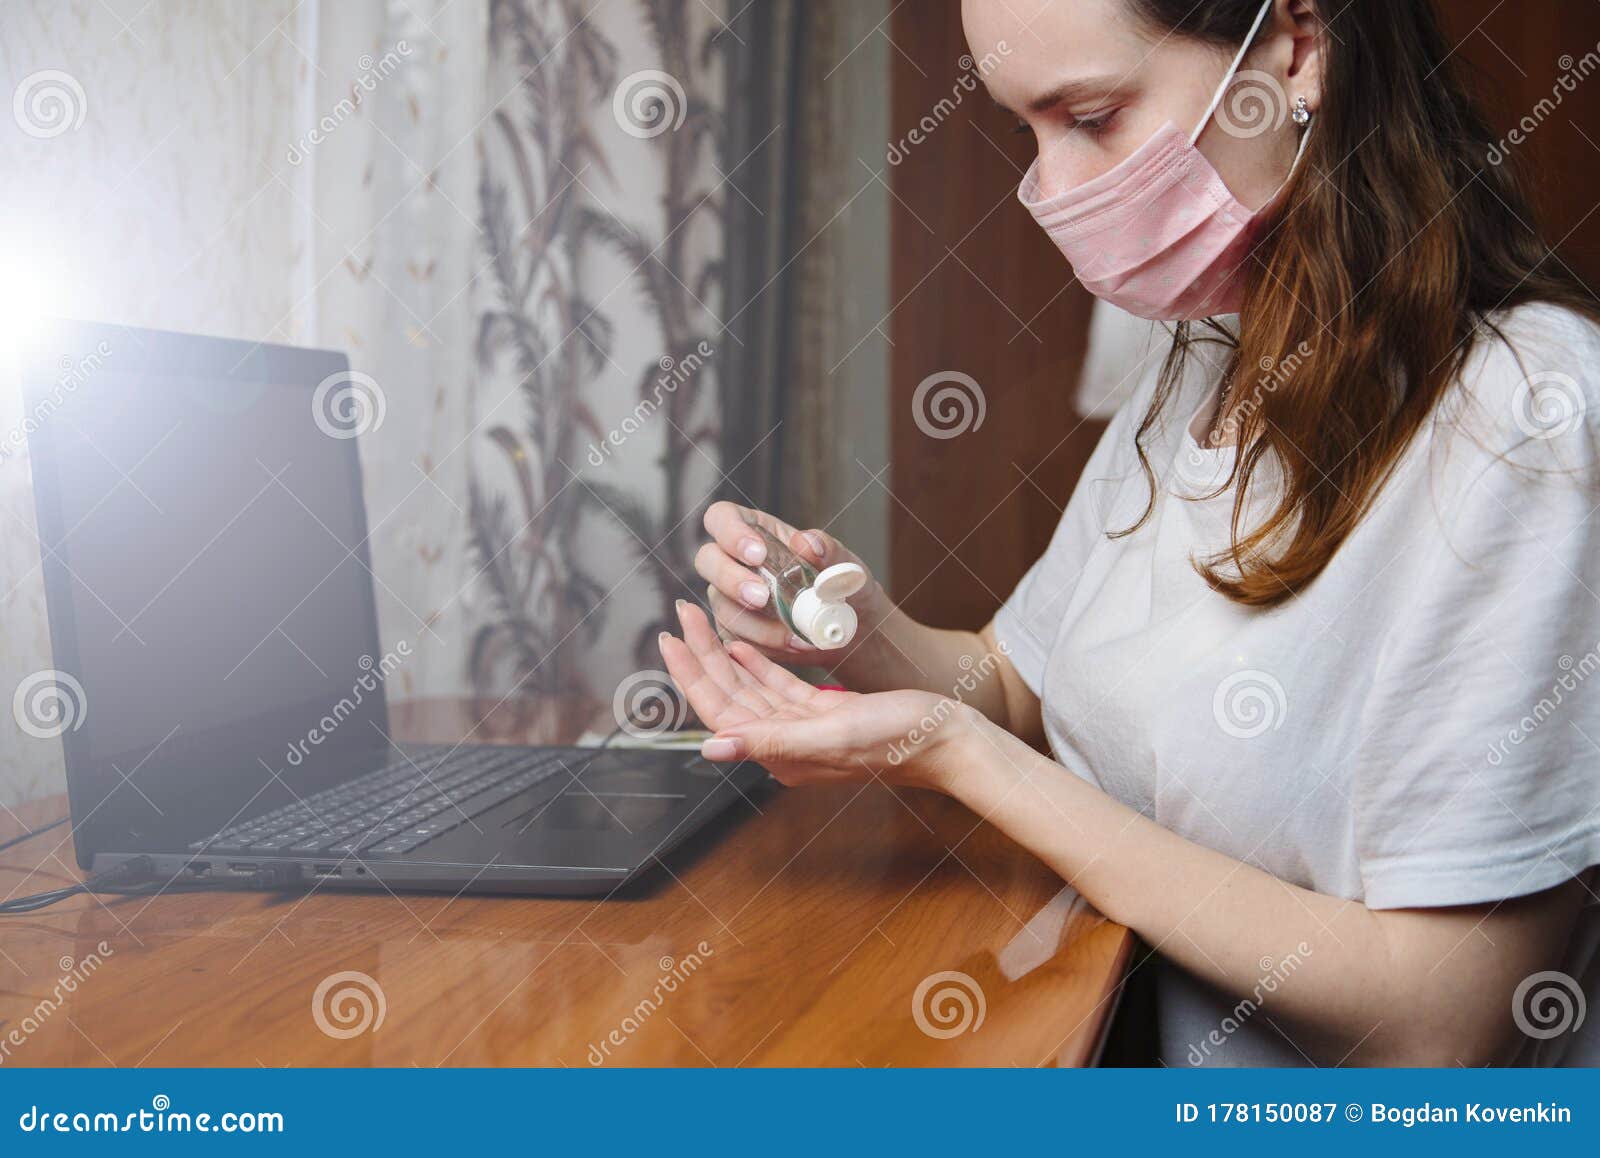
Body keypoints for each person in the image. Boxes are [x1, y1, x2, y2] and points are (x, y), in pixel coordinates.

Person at [660, 0, 1600, 1066]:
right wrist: (859, 634)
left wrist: (959, 757)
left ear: (1296, 49)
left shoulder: (1528, 415)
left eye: (1093, 116)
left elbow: (1443, 1020)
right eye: (1029, 134)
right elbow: (1023, 680)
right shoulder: (1206, 354)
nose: (1052, 194)